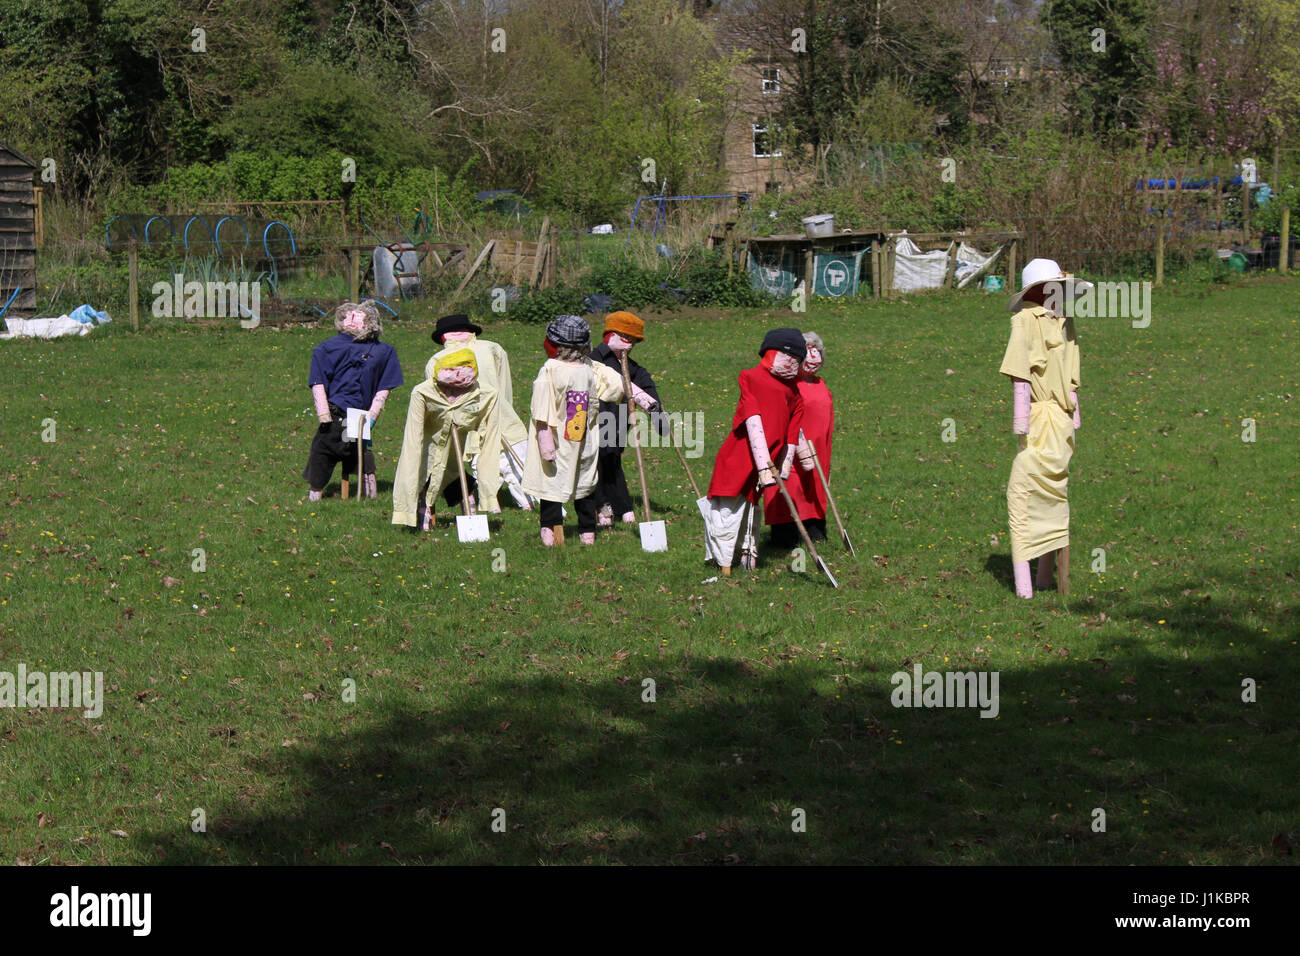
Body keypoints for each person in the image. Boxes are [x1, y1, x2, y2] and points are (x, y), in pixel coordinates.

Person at [522, 315, 655, 546]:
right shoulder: (551, 370)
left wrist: (644, 400)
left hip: (583, 439)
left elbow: (616, 382)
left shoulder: (590, 367)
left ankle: (587, 531)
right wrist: (546, 442)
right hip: (556, 440)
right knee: (552, 485)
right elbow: (542, 408)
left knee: (585, 484)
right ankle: (551, 530)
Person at [999, 258, 1088, 598]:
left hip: (1043, 422)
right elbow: (1069, 384)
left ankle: (1028, 588)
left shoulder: (1035, 321)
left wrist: (1021, 426)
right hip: (1061, 424)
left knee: (1021, 496)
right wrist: (1073, 423)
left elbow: (1022, 376)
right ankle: (1043, 579)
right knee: (1052, 494)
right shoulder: (1044, 320)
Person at [703, 328, 806, 573]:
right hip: (740, 458)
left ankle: (746, 557)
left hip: (768, 463)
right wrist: (763, 465)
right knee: (727, 509)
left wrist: (784, 466)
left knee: (751, 509)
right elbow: (752, 417)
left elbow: (792, 433)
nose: (791, 362)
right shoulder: (750, 377)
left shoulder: (794, 393)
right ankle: (723, 563)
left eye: (796, 359)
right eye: (787, 355)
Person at [426, 314, 532, 509]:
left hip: (466, 425)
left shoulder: (436, 360)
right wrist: (504, 410)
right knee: (516, 466)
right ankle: (530, 505)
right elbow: (504, 385)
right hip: (500, 415)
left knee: (484, 464)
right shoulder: (493, 348)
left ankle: (492, 504)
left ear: (443, 337)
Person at [391, 348, 502, 530]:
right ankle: (422, 519)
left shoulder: (487, 394)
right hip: (430, 447)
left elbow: (489, 437)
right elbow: (413, 439)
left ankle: (470, 520)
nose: (452, 393)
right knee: (423, 478)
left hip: (456, 452)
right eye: (447, 388)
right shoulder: (422, 392)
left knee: (459, 481)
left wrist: (489, 491)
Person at [303, 300, 403, 500]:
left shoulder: (383, 351)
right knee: (338, 448)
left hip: (352, 413)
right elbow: (319, 382)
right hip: (339, 412)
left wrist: (372, 415)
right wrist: (324, 413)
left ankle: (325, 491)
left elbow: (384, 387)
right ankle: (360, 488)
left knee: (330, 450)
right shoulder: (327, 348)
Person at [590, 310, 667, 526]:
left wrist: (657, 414)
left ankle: (621, 506)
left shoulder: (631, 368)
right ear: (610, 335)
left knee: (612, 460)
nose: (631, 344)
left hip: (618, 423)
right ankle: (603, 505)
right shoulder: (592, 361)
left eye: (634, 341)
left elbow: (646, 386)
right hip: (594, 422)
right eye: (627, 338)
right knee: (596, 463)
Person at [766, 331, 831, 547]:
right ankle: (785, 534)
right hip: (791, 448)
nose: (814, 359)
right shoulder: (788, 385)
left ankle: (815, 528)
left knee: (815, 487)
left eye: (817, 352)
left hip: (819, 447)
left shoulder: (821, 386)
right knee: (790, 486)